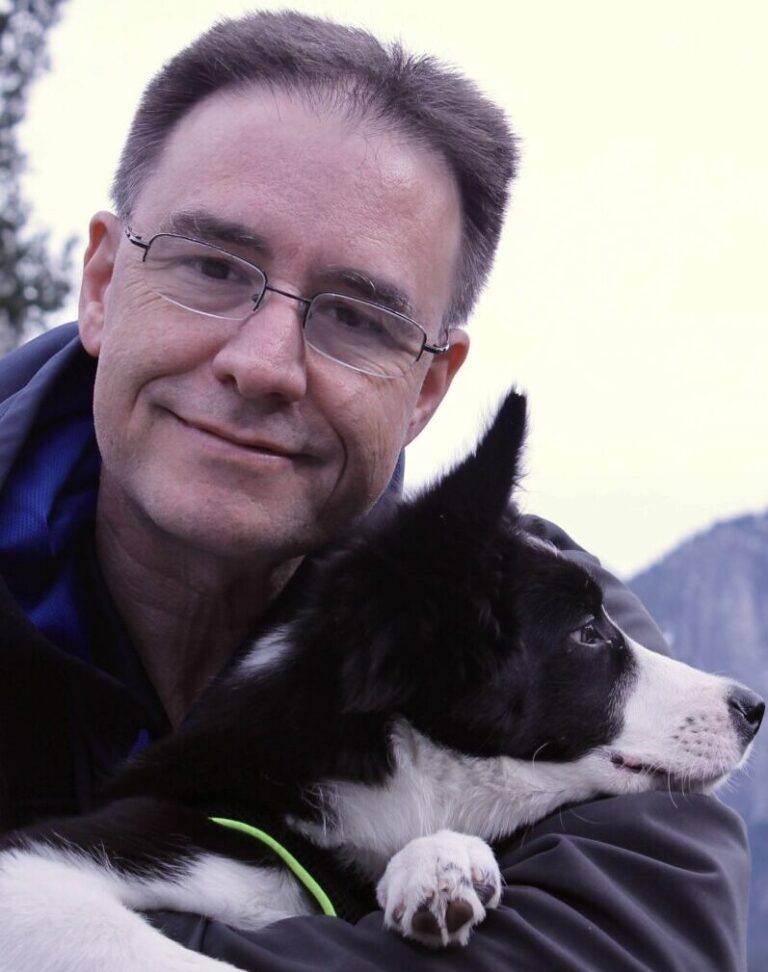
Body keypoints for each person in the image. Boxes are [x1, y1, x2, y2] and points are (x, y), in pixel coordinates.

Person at [0, 10, 749, 970]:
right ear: (102, 282)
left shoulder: (517, 605)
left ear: (429, 388)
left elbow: (636, 938)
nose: (263, 363)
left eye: (356, 317)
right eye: (213, 267)